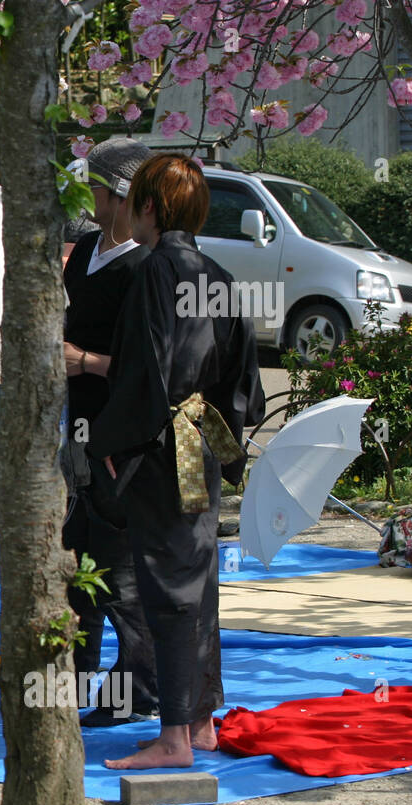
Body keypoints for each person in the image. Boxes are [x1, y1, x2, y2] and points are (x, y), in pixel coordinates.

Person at [87, 154, 265, 770]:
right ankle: (200, 719)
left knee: (167, 585)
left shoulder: (154, 273)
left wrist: (110, 446)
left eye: (136, 200)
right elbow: (245, 379)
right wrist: (223, 438)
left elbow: (145, 371)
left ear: (152, 208)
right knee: (199, 580)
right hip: (202, 440)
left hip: (163, 447)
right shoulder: (217, 273)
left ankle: (173, 737)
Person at [61, 138, 160, 726]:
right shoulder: (85, 253)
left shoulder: (145, 266)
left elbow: (153, 366)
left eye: (97, 187)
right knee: (75, 559)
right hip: (74, 428)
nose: (90, 198)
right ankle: (73, 677)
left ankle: (134, 689)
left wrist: (89, 361)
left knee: (120, 567)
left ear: (121, 194)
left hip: (117, 432)